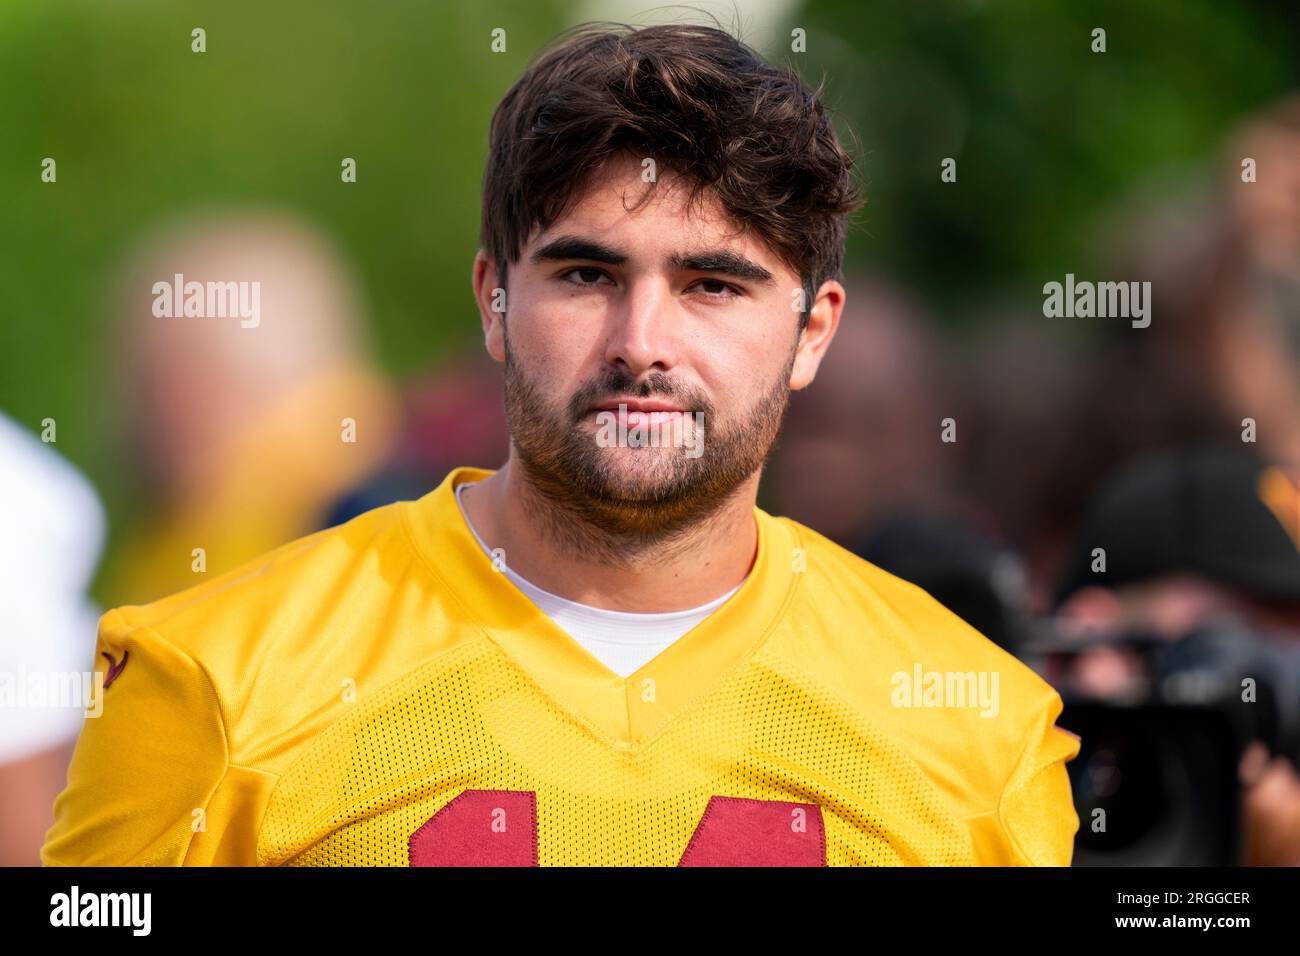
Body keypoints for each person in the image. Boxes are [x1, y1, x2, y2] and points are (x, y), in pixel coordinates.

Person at [42, 22, 1079, 867]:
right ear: (494, 302)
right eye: (586, 275)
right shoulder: (212, 676)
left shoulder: (976, 730)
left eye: (712, 284)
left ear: (813, 331)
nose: (641, 344)